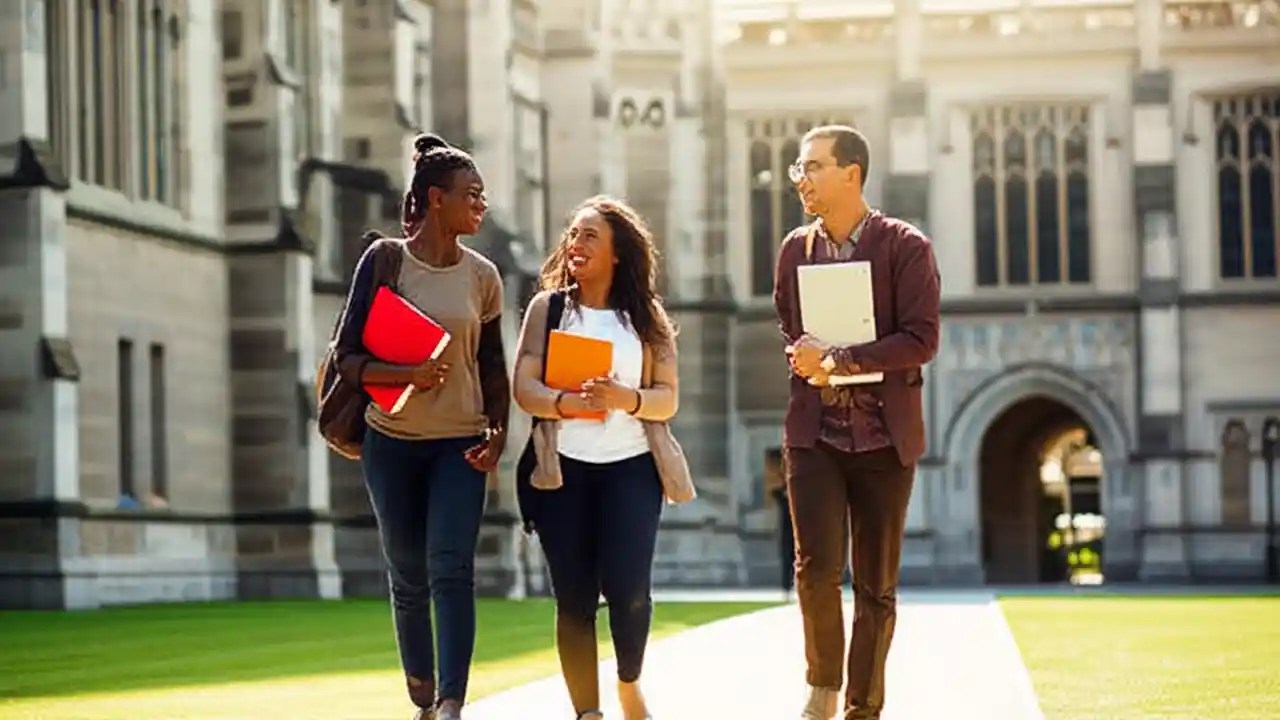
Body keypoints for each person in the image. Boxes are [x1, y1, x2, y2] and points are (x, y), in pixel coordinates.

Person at [331, 133, 509, 720]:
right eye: (472, 195)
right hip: (392, 443)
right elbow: (346, 357)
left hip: (459, 444)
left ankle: (454, 703)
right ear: (436, 200)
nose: (481, 205)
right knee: (407, 575)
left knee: (452, 569)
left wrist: (499, 432)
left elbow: (492, 366)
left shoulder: (484, 277)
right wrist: (405, 370)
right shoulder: (384, 261)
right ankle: (423, 697)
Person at [772, 125, 941, 720]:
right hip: (814, 432)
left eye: (813, 166)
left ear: (852, 173)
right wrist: (803, 354)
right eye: (799, 167)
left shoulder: (905, 247)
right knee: (815, 569)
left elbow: (922, 339)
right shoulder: (795, 248)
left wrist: (844, 359)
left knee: (876, 586)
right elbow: (788, 324)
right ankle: (823, 687)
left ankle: (863, 707)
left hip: (884, 438)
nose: (802, 179)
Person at [513, 196, 680, 720]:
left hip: (631, 469)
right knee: (574, 601)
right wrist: (567, 403)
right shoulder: (550, 309)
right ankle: (588, 713)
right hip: (562, 471)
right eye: (573, 233)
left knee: (630, 593)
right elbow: (525, 385)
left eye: (590, 236)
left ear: (617, 253)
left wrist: (623, 398)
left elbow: (667, 397)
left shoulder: (646, 317)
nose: (575, 244)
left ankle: (629, 682)